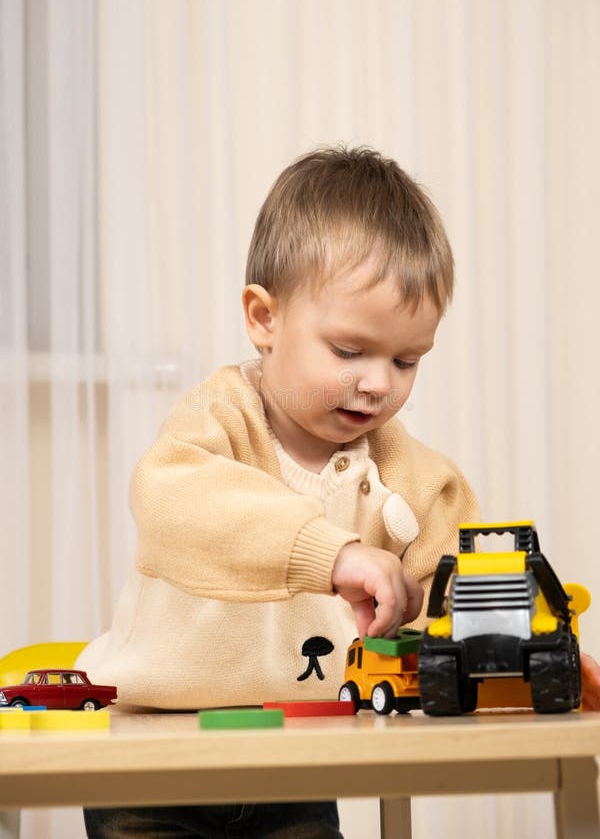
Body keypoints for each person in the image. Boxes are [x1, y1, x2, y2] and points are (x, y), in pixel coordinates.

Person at [80, 146, 600, 839]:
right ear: (264, 319)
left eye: (406, 359)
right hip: (150, 757)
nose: (380, 382)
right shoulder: (219, 421)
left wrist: (530, 655)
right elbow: (171, 500)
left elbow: (466, 589)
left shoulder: (411, 476)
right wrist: (334, 553)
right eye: (351, 352)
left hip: (300, 758)